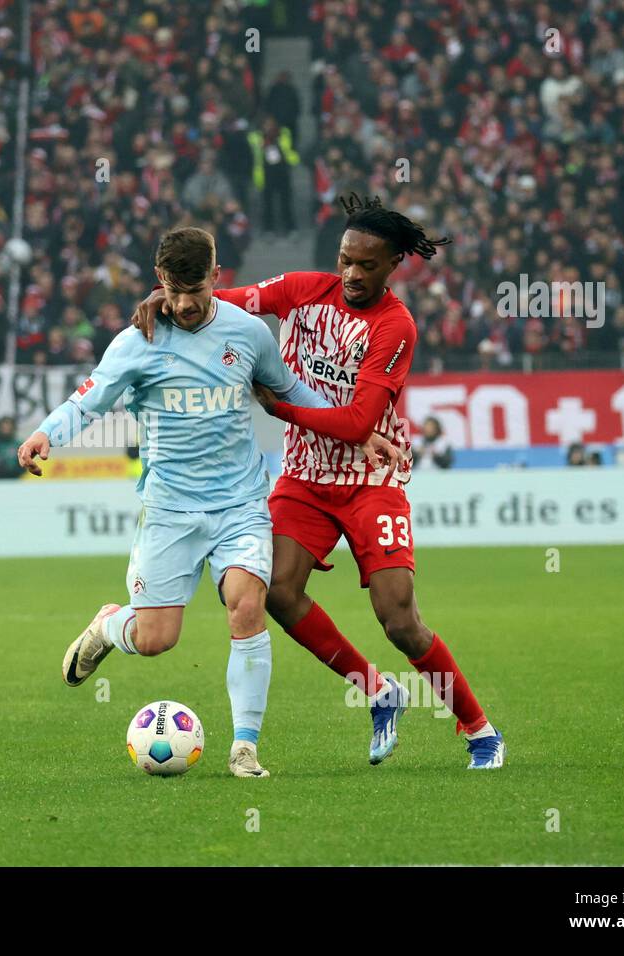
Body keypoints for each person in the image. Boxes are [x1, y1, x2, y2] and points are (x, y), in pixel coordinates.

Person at [131, 194, 505, 770]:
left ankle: (478, 728)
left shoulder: (395, 326)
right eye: (345, 260)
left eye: (366, 265)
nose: (352, 274)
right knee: (276, 591)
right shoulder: (305, 288)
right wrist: (167, 300)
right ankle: (379, 691)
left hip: (369, 476)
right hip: (304, 475)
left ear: (392, 266)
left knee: (398, 618)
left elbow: (358, 423)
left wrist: (277, 407)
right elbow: (222, 304)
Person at [19, 226, 398, 778]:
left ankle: (244, 747)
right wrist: (45, 434)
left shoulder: (247, 334)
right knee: (156, 640)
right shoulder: (137, 341)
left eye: (194, 291)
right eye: (173, 291)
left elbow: (290, 391)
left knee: (247, 607)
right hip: (170, 509)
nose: (183, 304)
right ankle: (107, 626)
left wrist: (359, 433)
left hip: (240, 504)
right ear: (160, 283)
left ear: (216, 278)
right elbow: (89, 398)